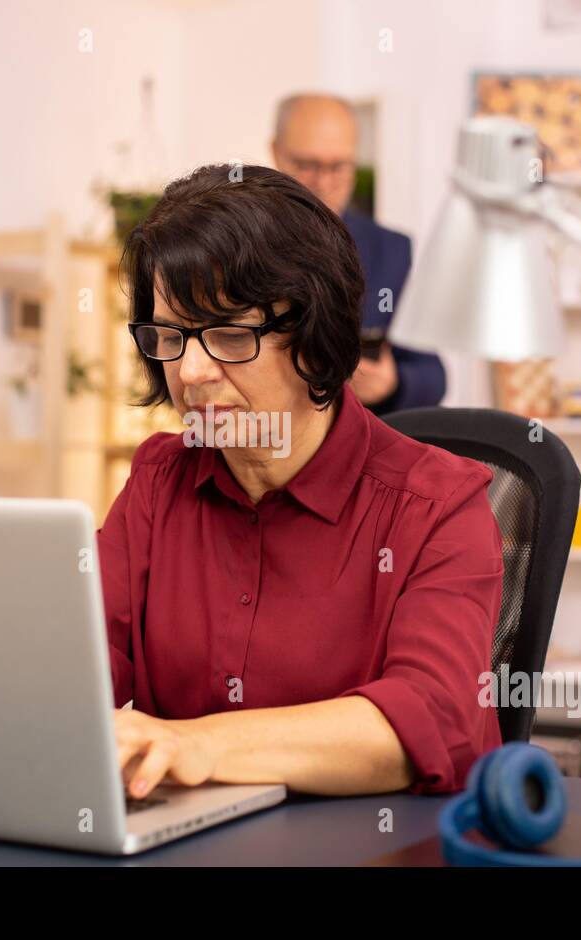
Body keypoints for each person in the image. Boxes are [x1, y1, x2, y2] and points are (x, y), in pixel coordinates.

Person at [101, 164, 503, 800]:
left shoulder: (439, 505)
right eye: (171, 337)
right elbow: (76, 664)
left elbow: (426, 718)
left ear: (316, 337)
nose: (192, 370)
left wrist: (199, 744)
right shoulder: (159, 482)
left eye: (230, 334)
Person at [271, 93, 446, 415]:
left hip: (358, 443)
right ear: (276, 153)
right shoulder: (238, 244)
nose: (323, 182)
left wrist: (392, 383)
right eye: (307, 165)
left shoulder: (390, 249)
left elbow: (432, 376)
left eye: (338, 166)